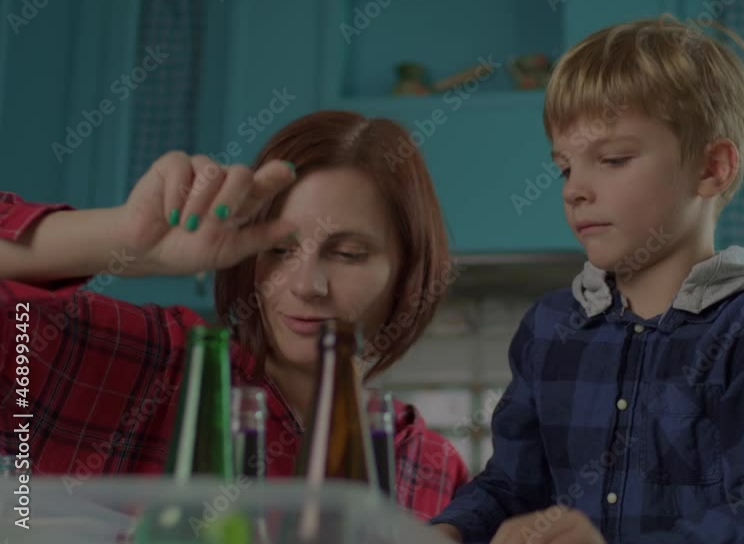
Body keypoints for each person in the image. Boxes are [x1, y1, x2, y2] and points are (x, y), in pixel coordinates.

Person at [430, 16, 744, 543]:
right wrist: (449, 533)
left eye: (613, 159)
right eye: (565, 168)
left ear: (712, 168)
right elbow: (510, 486)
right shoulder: (551, 326)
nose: (575, 190)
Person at [0, 110, 469, 521]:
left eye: (347, 254)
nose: (306, 285)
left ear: (407, 271)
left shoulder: (434, 469)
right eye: (278, 249)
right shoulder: (151, 365)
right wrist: (123, 239)